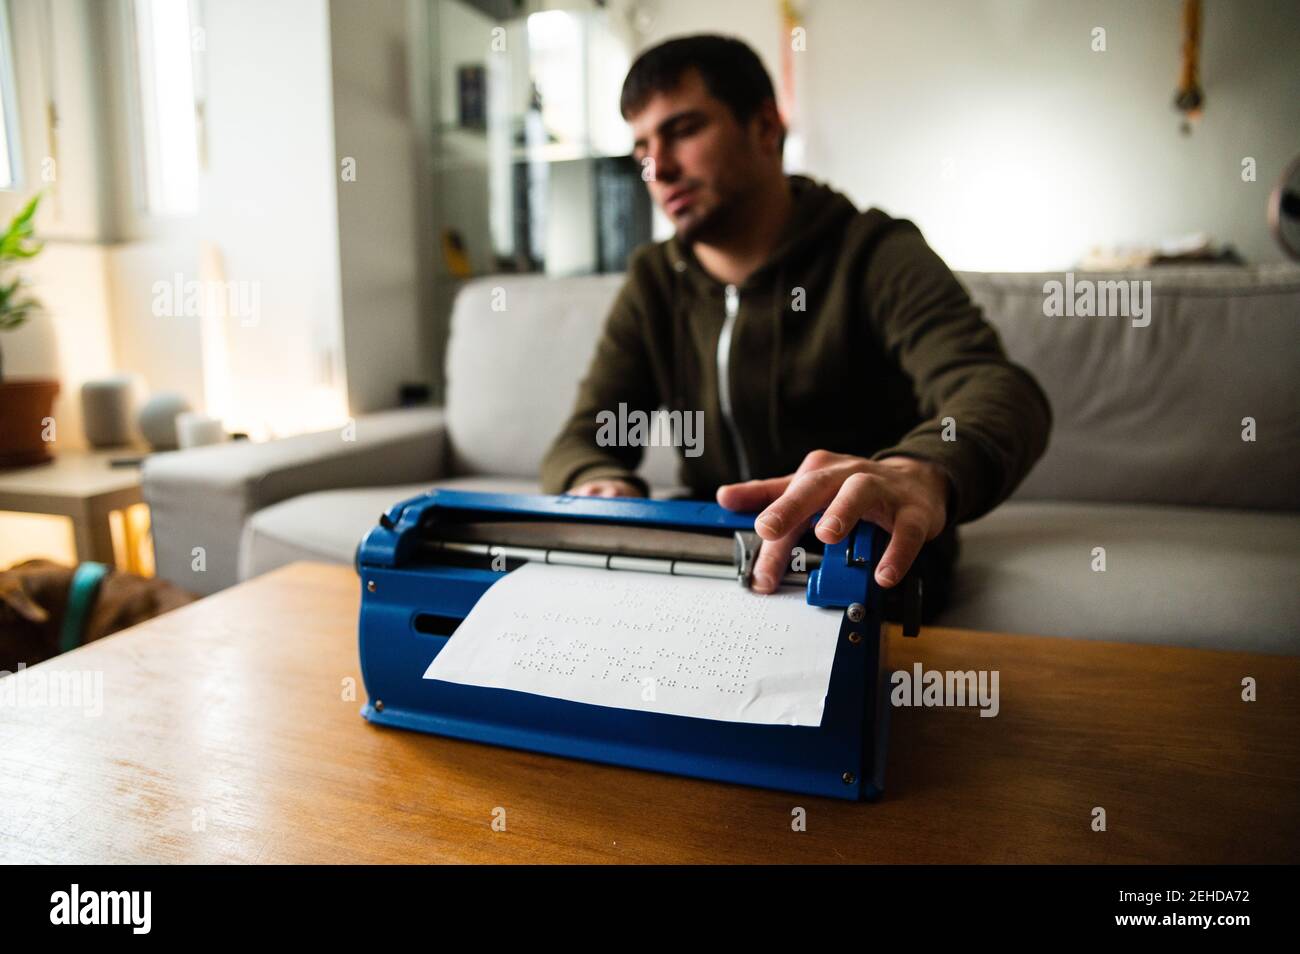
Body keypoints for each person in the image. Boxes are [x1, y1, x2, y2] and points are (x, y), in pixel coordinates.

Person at [539, 34, 1051, 618]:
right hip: (716, 555)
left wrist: (920, 471)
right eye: (642, 151)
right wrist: (597, 479)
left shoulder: (874, 251)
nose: (659, 167)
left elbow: (998, 390)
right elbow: (588, 436)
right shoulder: (655, 279)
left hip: (860, 554)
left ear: (764, 127)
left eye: (683, 130)